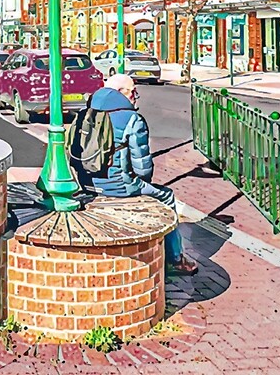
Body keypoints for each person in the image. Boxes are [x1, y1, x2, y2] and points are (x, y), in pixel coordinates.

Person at [83, 73, 198, 276]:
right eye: (132, 91)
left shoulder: (87, 112)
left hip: (87, 183)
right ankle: (175, 258)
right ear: (120, 93)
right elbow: (143, 168)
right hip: (120, 186)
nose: (135, 96)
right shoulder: (132, 119)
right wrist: (142, 182)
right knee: (166, 196)